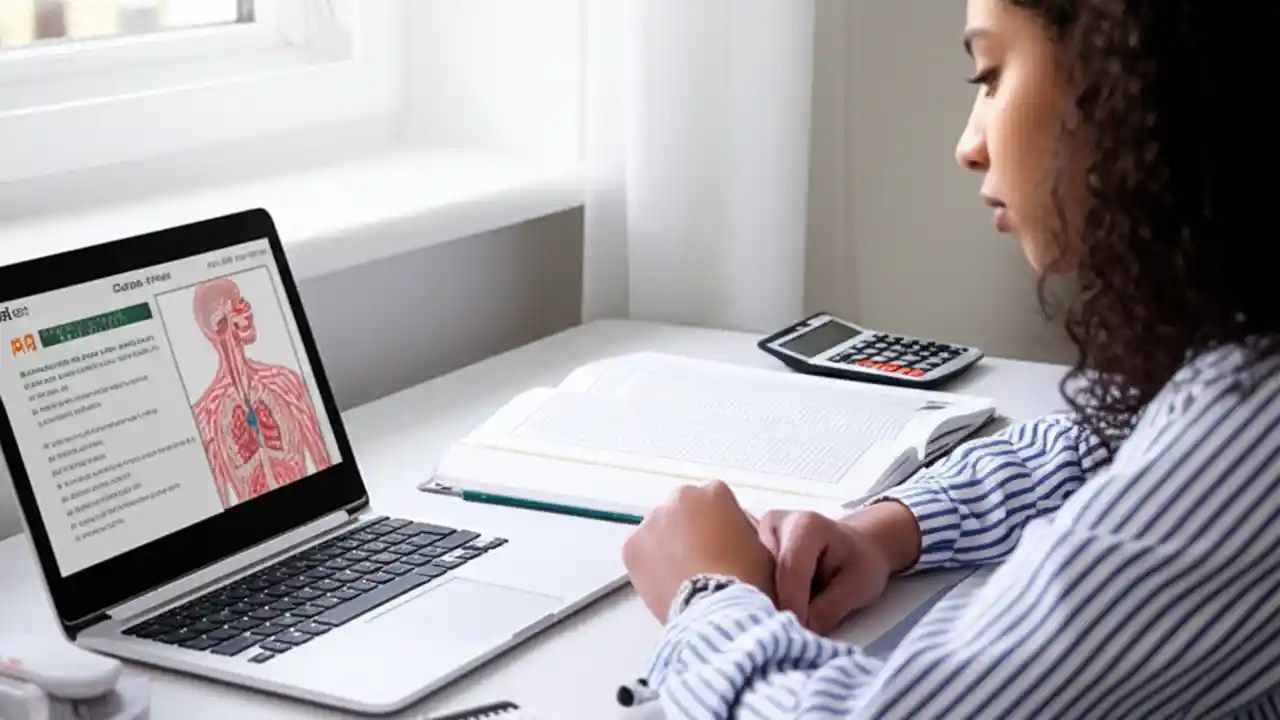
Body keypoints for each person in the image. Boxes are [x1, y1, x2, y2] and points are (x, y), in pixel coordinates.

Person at [622, 0, 1280, 717]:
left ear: (1136, 78)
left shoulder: (1257, 419)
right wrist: (893, 528)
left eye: (991, 76)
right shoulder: (1236, 372)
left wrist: (707, 596)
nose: (969, 144)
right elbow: (1108, 451)